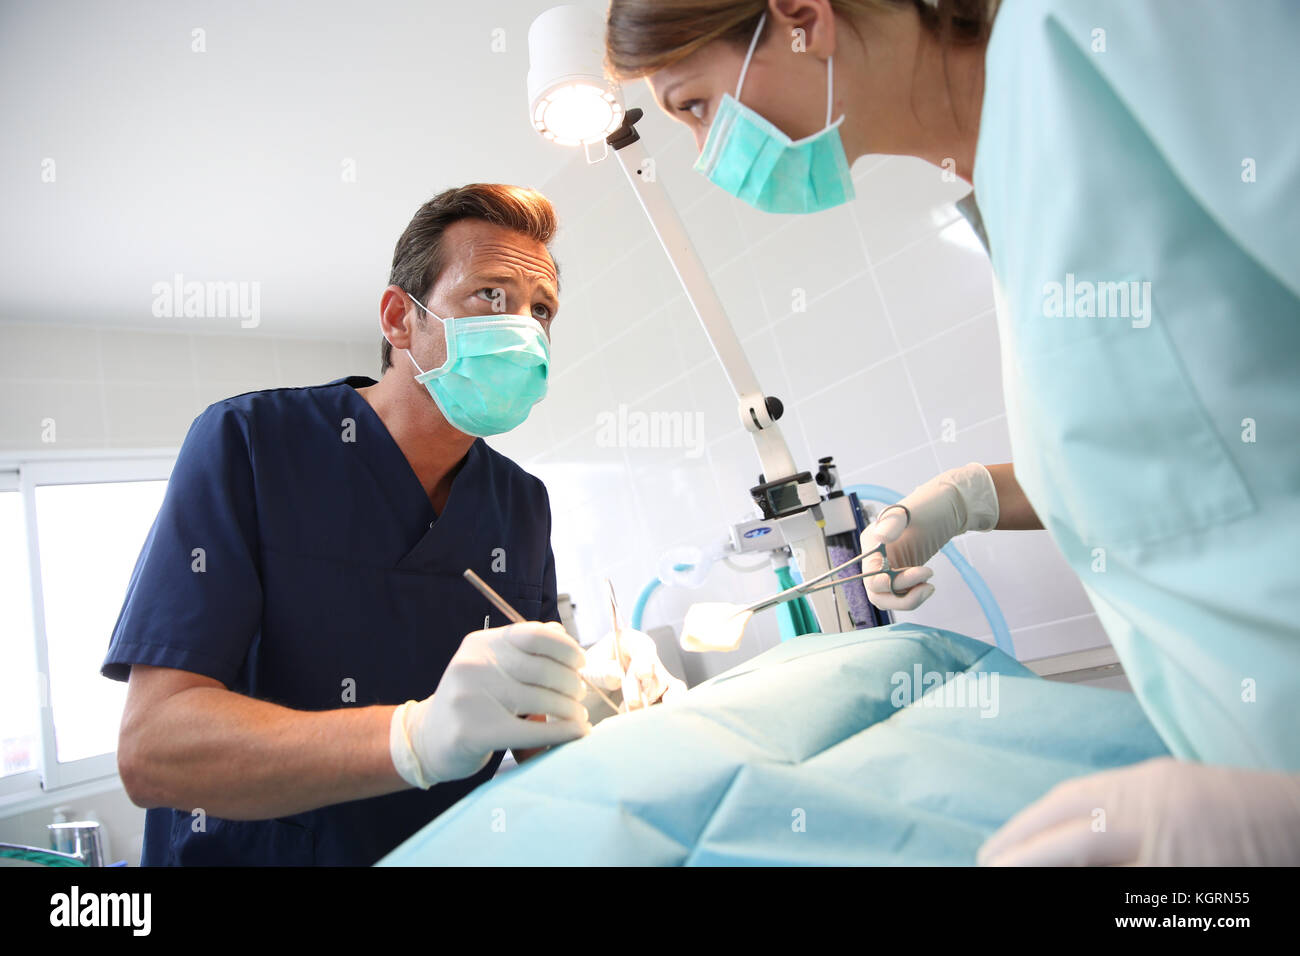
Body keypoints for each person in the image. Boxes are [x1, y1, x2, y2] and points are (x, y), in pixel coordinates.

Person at [604, 0, 1300, 864]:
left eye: (695, 106)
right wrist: (967, 501)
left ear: (798, 18)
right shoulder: (1008, 186)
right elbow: (1191, 452)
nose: (708, 156)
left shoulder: (1104, 32)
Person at [103, 184, 679, 866]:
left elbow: (533, 731)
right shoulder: (250, 443)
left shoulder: (519, 502)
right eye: (491, 295)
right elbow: (155, 751)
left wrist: (598, 704)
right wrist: (412, 738)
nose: (524, 325)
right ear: (400, 320)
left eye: (541, 308)